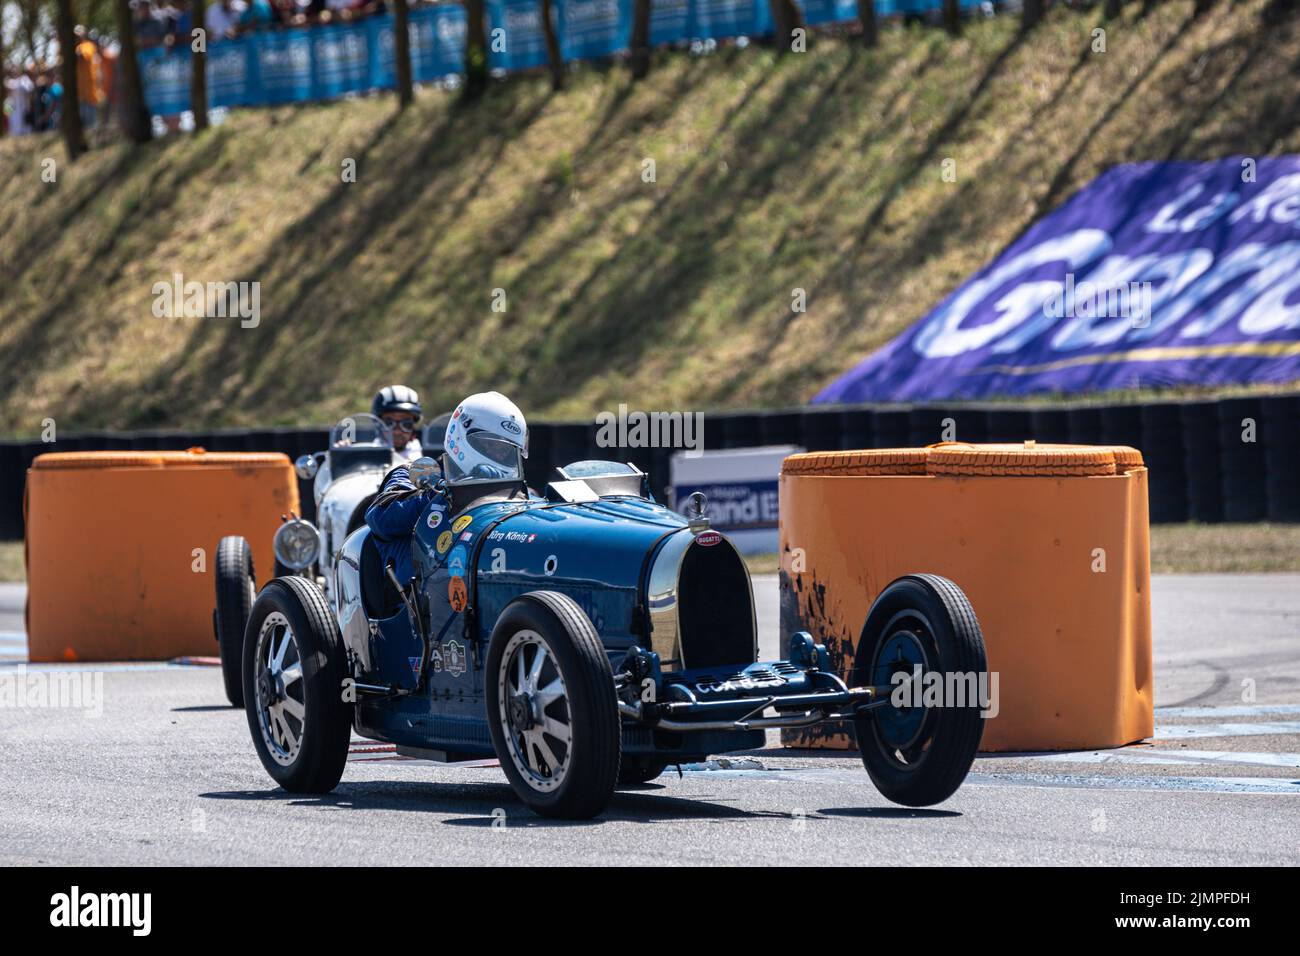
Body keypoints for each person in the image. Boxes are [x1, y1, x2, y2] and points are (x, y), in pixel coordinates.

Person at [365, 391, 527, 590]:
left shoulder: (514, 489)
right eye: (491, 445)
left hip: (484, 583)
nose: (499, 454)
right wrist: (444, 491)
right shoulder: (415, 473)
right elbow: (380, 518)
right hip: (418, 596)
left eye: (506, 450)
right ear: (462, 435)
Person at [371, 384, 424, 462]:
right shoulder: (364, 458)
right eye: (388, 423)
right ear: (378, 423)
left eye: (406, 424)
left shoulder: (428, 461)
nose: (397, 431)